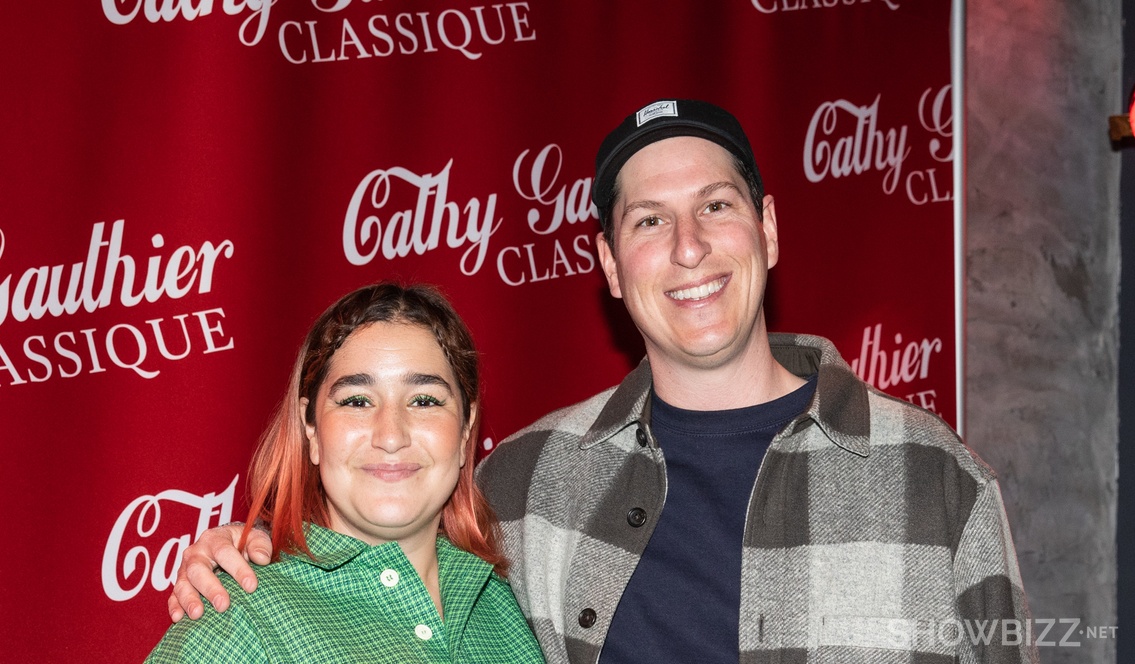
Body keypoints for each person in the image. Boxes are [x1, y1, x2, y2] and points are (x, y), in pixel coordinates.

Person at [168, 100, 1038, 663]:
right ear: (610, 267)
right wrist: (251, 555)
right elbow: (382, 536)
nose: (688, 247)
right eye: (649, 221)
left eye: (716, 206)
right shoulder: (526, 483)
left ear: (768, 229)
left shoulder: (937, 479)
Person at [148, 283, 544, 663]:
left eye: (424, 401)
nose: (391, 436)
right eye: (356, 401)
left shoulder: (511, 606)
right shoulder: (239, 619)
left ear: (465, 429)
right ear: (312, 431)